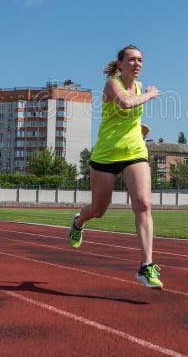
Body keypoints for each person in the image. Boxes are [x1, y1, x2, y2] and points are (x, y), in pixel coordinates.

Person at [68, 44, 163, 288]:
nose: (137, 64)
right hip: (106, 155)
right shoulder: (113, 84)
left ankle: (146, 266)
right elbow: (124, 104)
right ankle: (79, 222)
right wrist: (150, 95)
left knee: (142, 204)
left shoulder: (139, 86)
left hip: (135, 152)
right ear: (120, 64)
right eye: (131, 60)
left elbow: (131, 114)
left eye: (140, 60)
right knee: (99, 210)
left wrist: (140, 128)